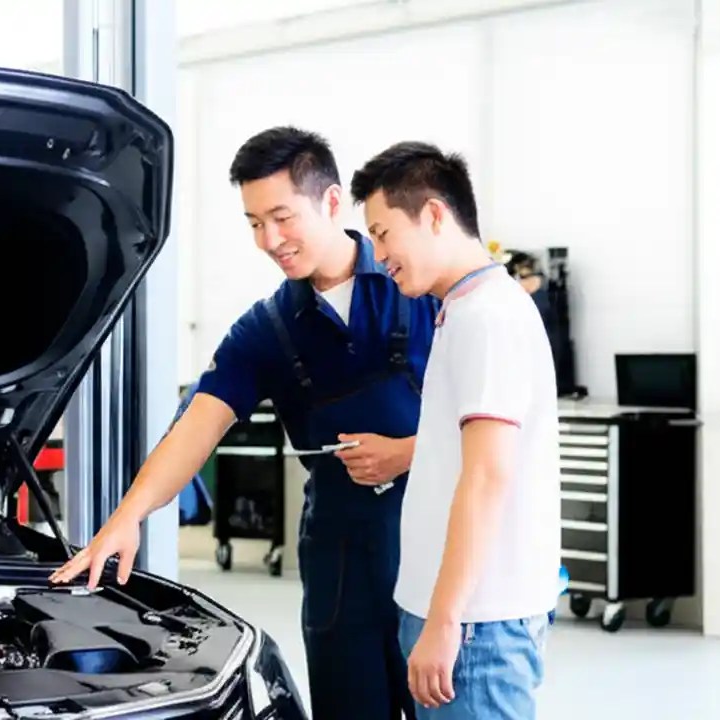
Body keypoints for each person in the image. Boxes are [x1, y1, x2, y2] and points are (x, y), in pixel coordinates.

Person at [50, 126, 440, 720]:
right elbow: (195, 429)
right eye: (255, 223)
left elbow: (491, 422)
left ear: (332, 203)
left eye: (282, 217)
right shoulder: (267, 331)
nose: (269, 239)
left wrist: (411, 450)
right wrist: (127, 517)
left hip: (438, 541)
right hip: (341, 557)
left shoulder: (418, 285)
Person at [349, 141, 561, 719]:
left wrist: (444, 620)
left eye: (383, 232)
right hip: (465, 620)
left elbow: (488, 475)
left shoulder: (487, 317)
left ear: (435, 215)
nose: (378, 253)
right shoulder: (464, 311)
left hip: (474, 628)